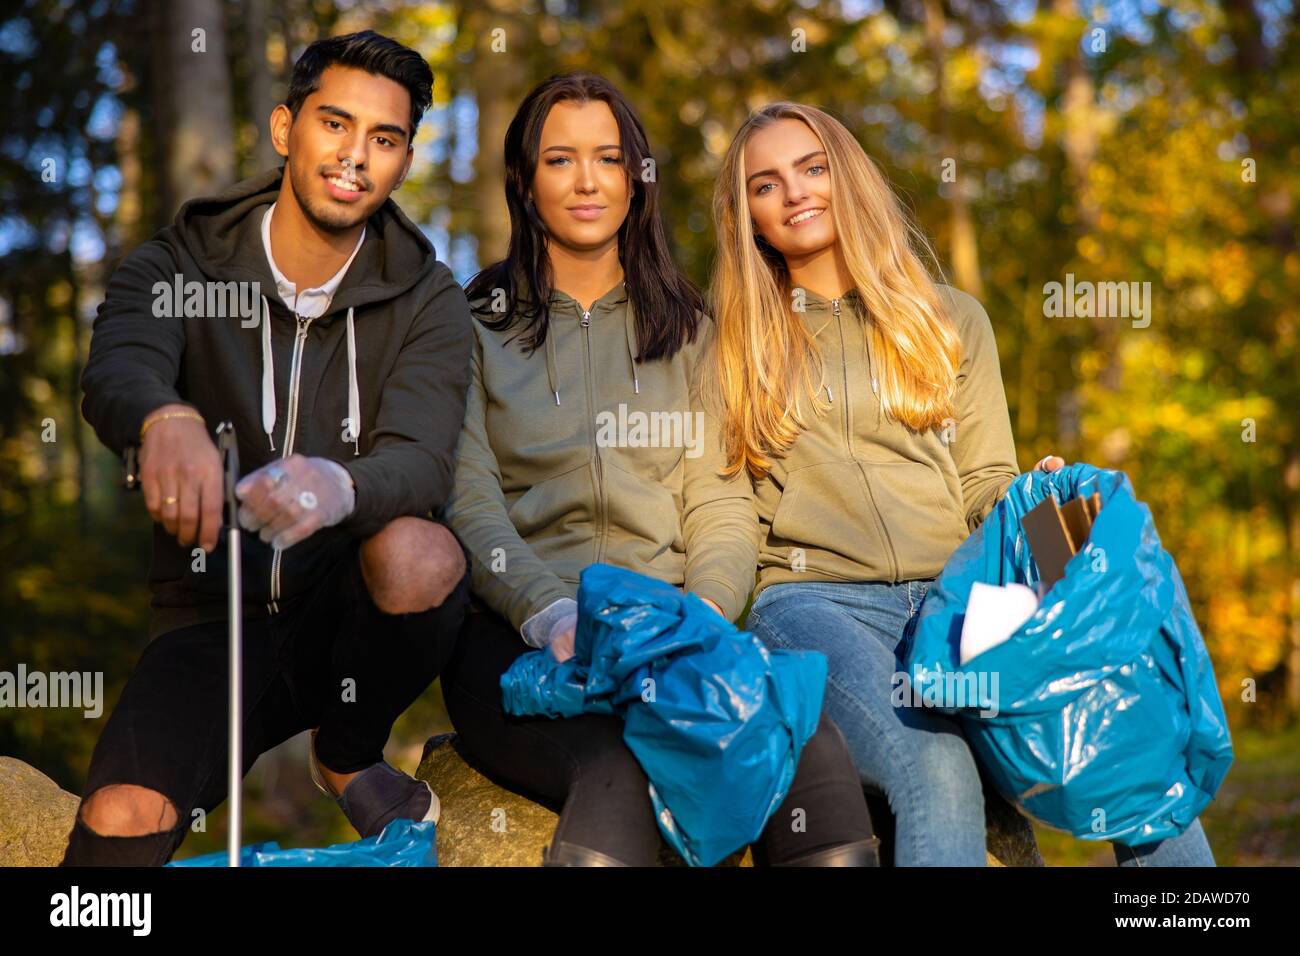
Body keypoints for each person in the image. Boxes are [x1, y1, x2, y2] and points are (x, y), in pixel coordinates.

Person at [707, 101, 1215, 866]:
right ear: (745, 215)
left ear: (848, 177)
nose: (796, 192)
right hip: (815, 605)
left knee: (1125, 730)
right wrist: (706, 613)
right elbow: (727, 516)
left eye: (813, 168)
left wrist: (1048, 515)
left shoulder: (948, 317)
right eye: (765, 184)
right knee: (936, 767)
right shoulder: (726, 344)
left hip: (957, 598)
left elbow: (984, 483)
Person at [440, 73, 877, 867]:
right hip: (521, 643)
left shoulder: (690, 330)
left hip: (673, 634)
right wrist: (549, 615)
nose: (586, 181)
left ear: (636, 181)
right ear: (524, 181)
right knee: (623, 775)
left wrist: (705, 613)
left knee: (810, 756)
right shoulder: (472, 329)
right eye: (559, 159)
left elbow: (719, 502)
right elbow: (467, 503)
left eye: (608, 159)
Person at [62, 31, 473, 866]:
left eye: (384, 139)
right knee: (120, 815)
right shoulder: (178, 261)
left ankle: (346, 750)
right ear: (287, 129)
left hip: (347, 608)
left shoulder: (429, 297)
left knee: (420, 554)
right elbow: (118, 369)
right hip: (212, 615)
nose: (355, 157)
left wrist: (338, 485)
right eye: (335, 124)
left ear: (401, 160)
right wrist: (163, 420)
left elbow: (425, 458)